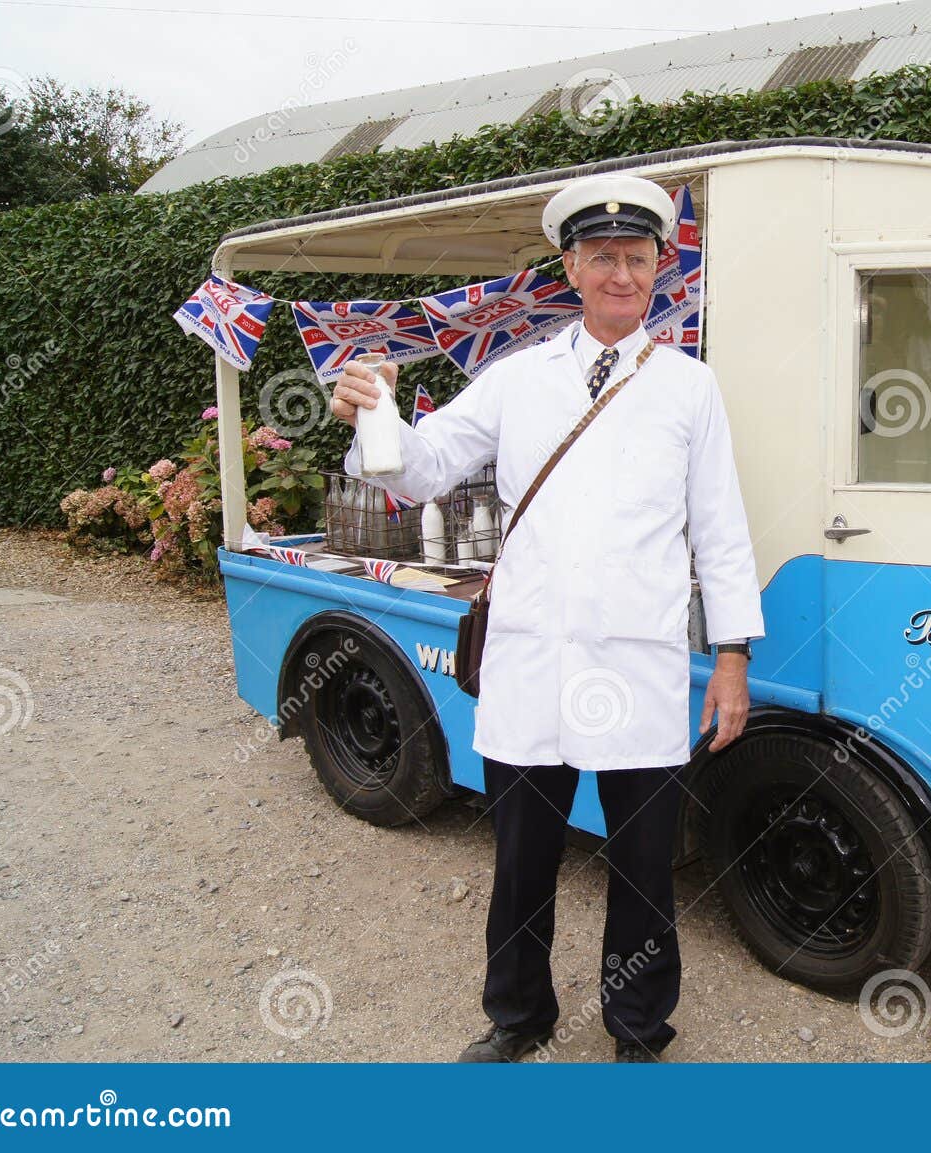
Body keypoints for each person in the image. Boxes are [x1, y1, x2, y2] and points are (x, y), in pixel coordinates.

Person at [328, 172, 764, 1063]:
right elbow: (423, 469)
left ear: (658, 271)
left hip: (634, 668)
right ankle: (519, 1017)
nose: (620, 274)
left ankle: (639, 1027)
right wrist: (371, 417)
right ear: (571, 268)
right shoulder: (514, 379)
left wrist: (731, 659)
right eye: (602, 256)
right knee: (522, 862)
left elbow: (721, 529)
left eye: (636, 258)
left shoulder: (689, 388)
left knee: (642, 867)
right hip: (531, 663)